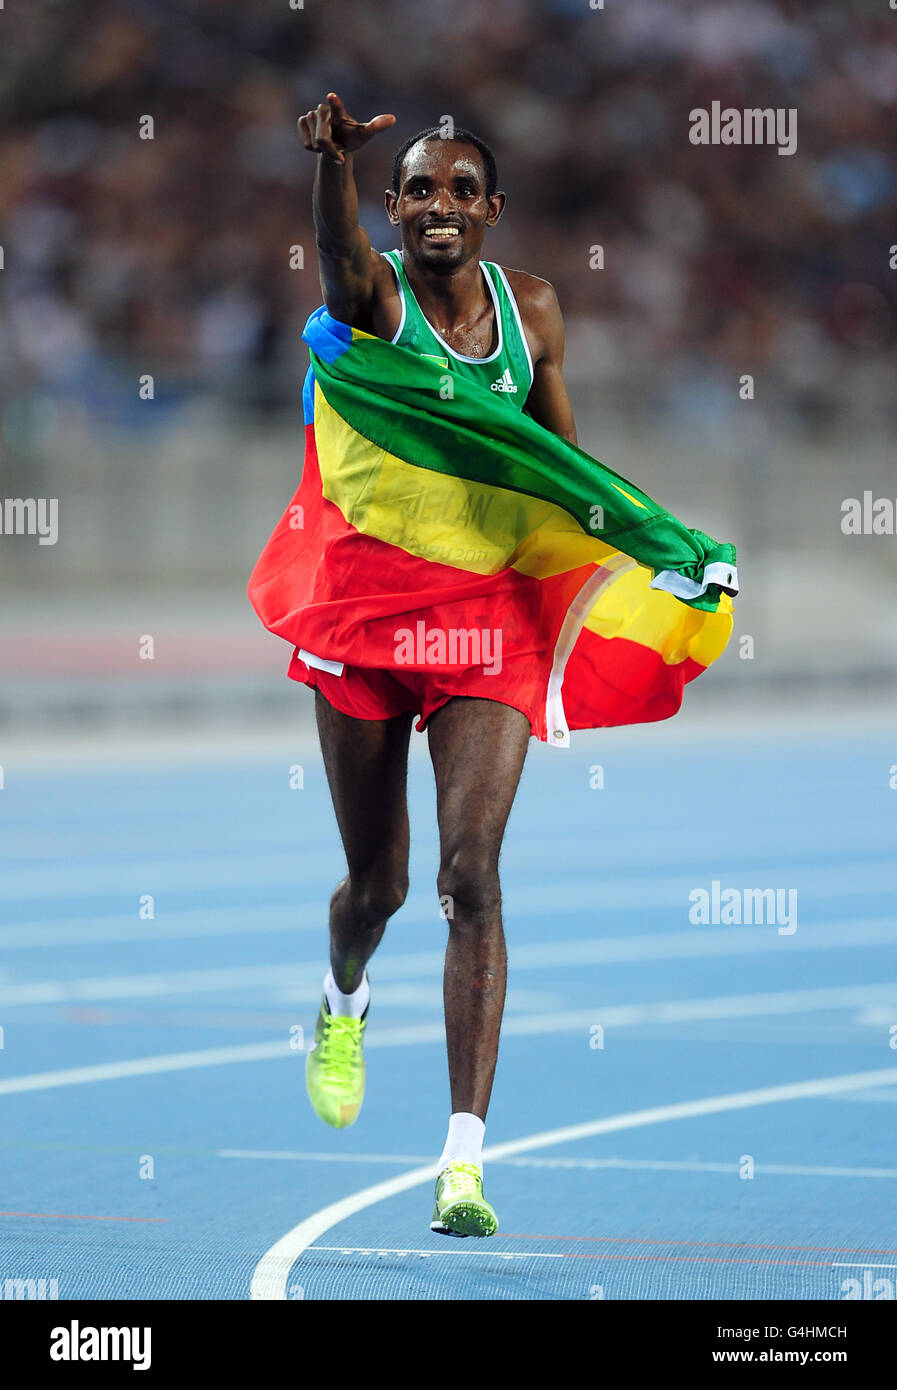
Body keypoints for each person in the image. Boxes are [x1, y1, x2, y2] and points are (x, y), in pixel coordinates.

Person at [295, 92, 580, 1238]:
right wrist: (329, 169)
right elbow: (332, 252)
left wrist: (638, 548)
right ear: (395, 208)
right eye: (418, 188)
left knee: (472, 877)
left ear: (494, 210)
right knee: (382, 887)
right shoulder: (371, 298)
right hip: (367, 609)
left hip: (483, 620)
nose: (440, 206)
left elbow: (561, 460)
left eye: (462, 189)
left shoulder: (537, 313)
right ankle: (342, 995)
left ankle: (463, 1157)